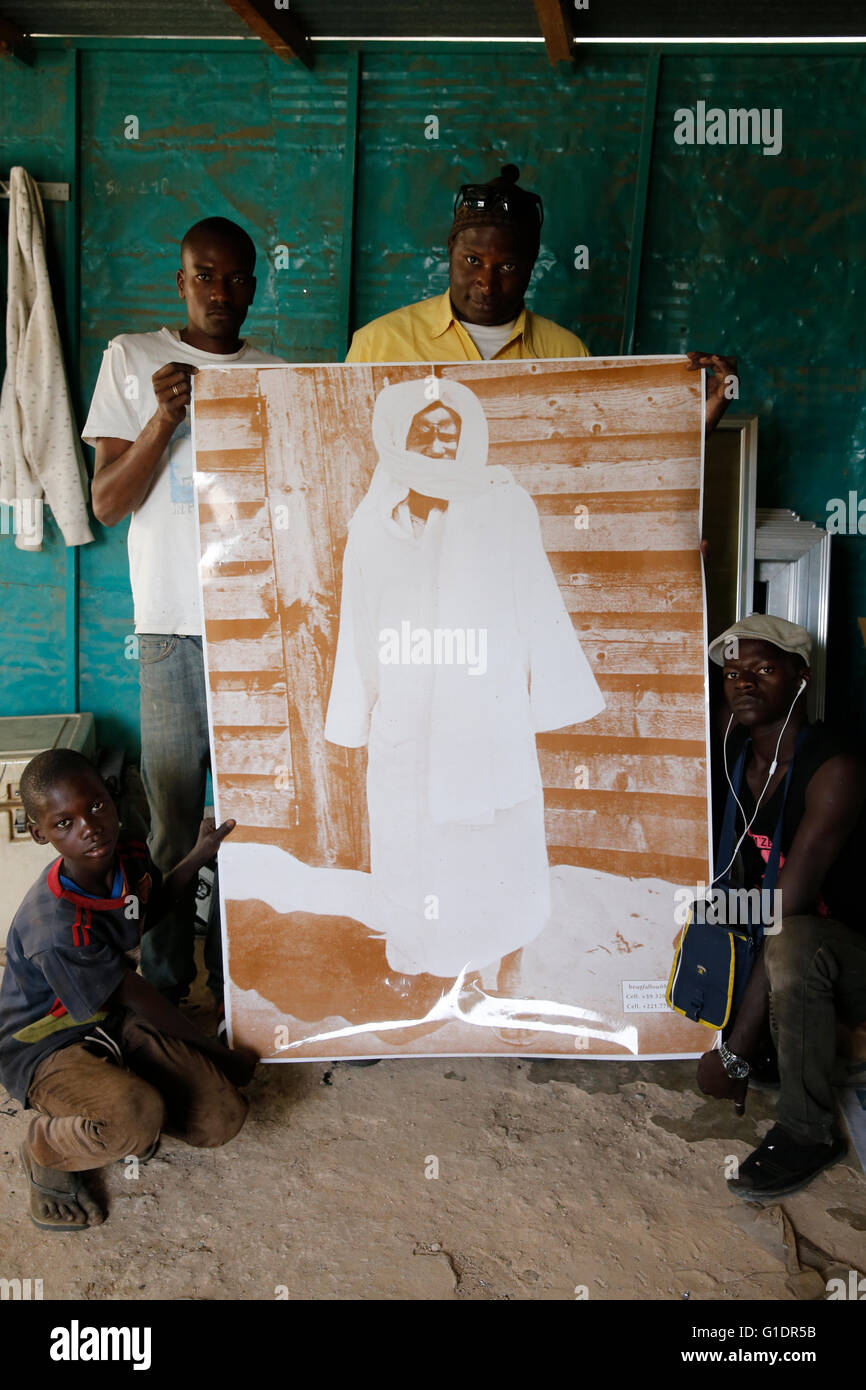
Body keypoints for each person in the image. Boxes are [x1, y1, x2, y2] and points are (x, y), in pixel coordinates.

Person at [323, 376, 605, 988]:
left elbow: (538, 601)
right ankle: (420, 953)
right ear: (397, 437)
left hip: (483, 714)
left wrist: (547, 694)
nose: (439, 443)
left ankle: (504, 958)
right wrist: (358, 714)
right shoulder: (373, 522)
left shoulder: (504, 505)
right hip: (408, 721)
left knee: (493, 844)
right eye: (424, 431)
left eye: (450, 432)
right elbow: (359, 625)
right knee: (413, 842)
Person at [84, 217, 285, 1019]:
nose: (221, 292)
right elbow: (106, 503)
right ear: (180, 280)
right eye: (205, 275)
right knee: (171, 822)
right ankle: (166, 990)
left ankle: (247, 990)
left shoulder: (275, 373)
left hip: (255, 629)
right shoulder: (132, 360)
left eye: (237, 278)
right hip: (169, 630)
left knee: (254, 824)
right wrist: (164, 419)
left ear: (254, 287)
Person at [0, 749, 256, 1230]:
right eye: (64, 823)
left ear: (112, 798)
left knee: (221, 1117)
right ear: (40, 834)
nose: (88, 827)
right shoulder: (56, 926)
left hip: (107, 1022)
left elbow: (145, 910)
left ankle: (127, 1111)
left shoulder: (129, 853)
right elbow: (139, 995)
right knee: (134, 1117)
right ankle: (46, 1151)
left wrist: (199, 857)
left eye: (95, 806)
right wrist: (214, 1052)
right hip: (45, 1048)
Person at [346, 164, 736, 434]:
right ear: (449, 252)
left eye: (508, 266)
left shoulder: (567, 353)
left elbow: (599, 458)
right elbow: (342, 454)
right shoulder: (378, 344)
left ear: (532, 266)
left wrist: (700, 419)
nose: (486, 281)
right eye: (472, 260)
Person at [697, 614, 866, 1199]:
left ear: (801, 676)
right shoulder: (736, 750)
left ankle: (807, 1130)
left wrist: (732, 1052)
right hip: (805, 949)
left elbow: (785, 916)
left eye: (764, 669)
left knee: (789, 940)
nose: (743, 682)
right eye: (733, 672)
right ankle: (776, 1045)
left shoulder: (834, 768)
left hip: (852, 956)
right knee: (719, 908)